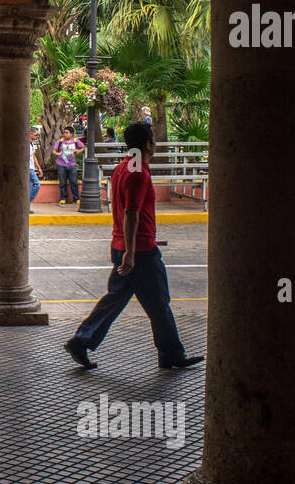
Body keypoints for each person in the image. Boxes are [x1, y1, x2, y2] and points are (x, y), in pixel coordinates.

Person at [64, 121, 203, 371]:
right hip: (139, 251)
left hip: (123, 246)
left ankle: (81, 341)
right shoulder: (138, 172)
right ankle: (171, 354)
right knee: (158, 302)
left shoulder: (122, 168)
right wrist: (130, 253)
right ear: (148, 144)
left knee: (116, 299)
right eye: (153, 140)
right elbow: (131, 212)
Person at [54, 126, 85, 205]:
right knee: (62, 182)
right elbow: (54, 151)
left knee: (74, 182)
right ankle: (63, 198)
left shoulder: (75, 141)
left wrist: (78, 151)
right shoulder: (60, 141)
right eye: (64, 132)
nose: (65, 134)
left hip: (72, 164)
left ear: (71, 134)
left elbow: (83, 147)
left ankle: (76, 199)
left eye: (66, 132)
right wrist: (58, 153)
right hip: (61, 164)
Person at [28, 126, 43, 213]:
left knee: (30, 187)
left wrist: (39, 168)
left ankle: (27, 206)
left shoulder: (32, 144)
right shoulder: (24, 144)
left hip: (31, 167)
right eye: (36, 135)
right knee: (37, 184)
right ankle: (27, 203)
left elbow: (33, 156)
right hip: (28, 168)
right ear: (30, 134)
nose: (37, 137)